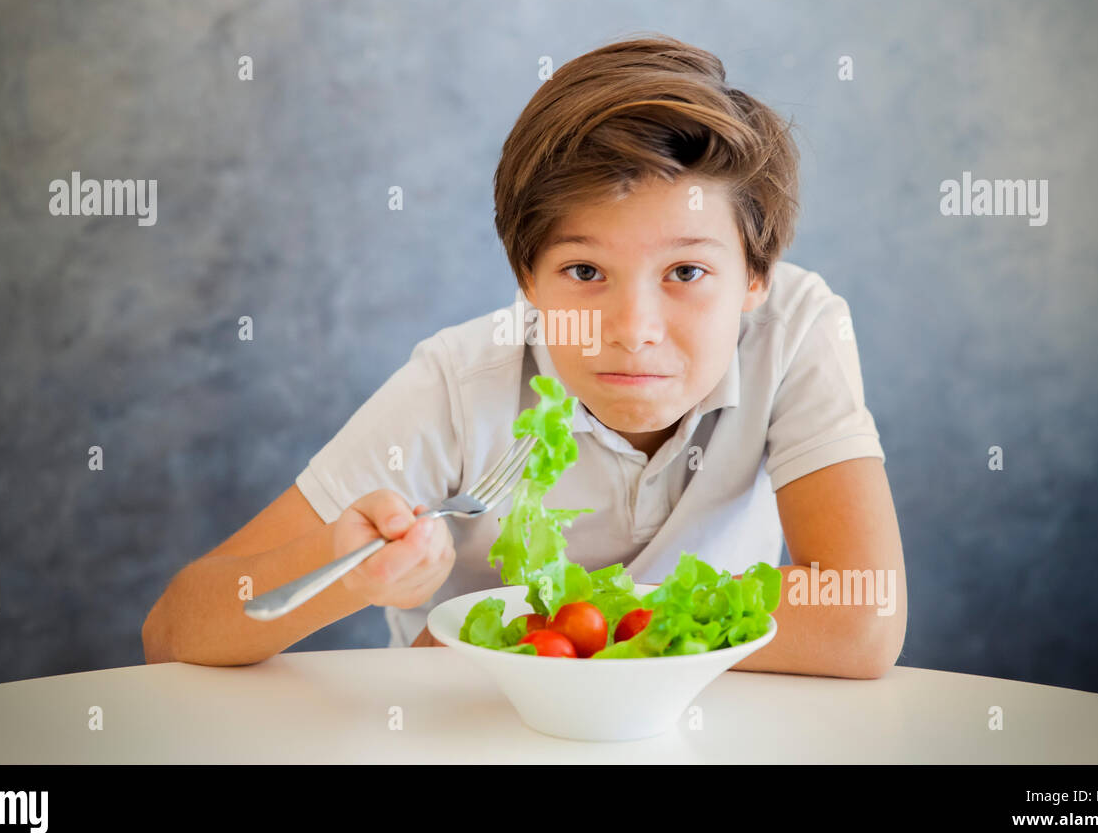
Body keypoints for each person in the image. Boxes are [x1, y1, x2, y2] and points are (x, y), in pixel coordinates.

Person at [142, 33, 907, 677]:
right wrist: (345, 573)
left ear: (756, 279)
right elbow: (176, 631)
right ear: (526, 280)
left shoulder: (796, 329)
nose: (633, 329)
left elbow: (863, 613)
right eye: (584, 273)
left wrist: (558, 627)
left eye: (687, 273)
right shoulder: (457, 385)